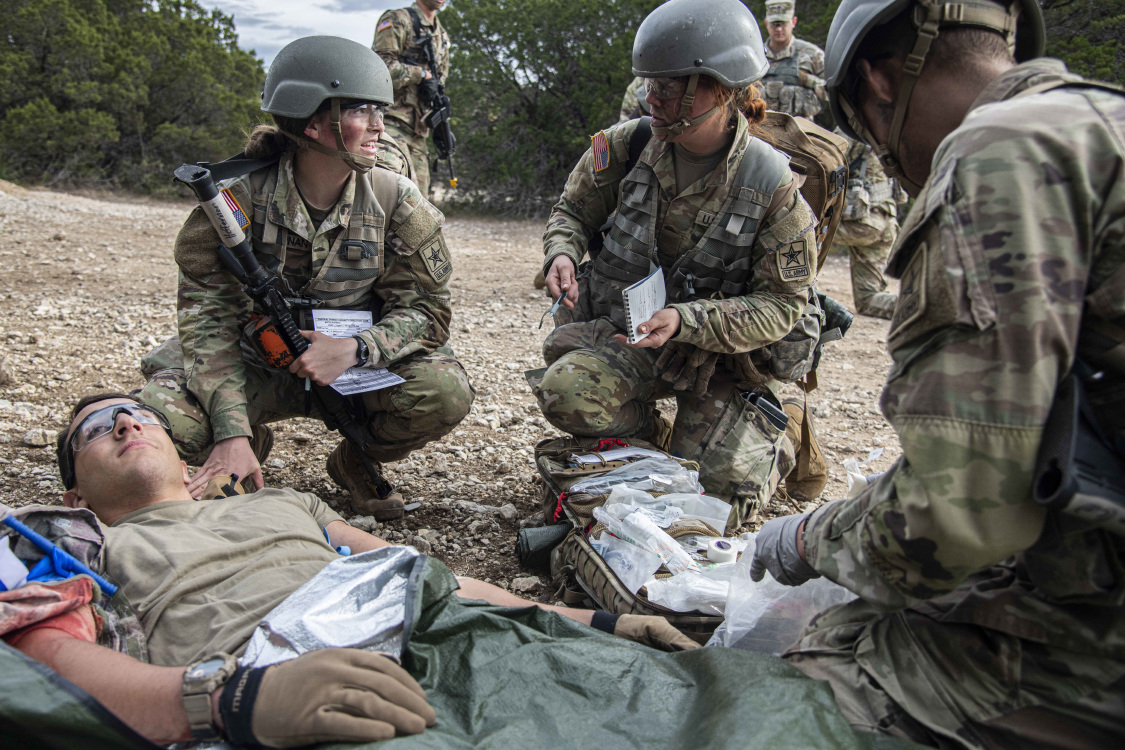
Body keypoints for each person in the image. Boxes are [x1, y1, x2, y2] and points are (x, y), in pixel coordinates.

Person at [749, 0, 1125, 746]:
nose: (890, 162)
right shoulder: (1100, 123)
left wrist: (805, 540)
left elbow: (957, 518)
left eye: (871, 138)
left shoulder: (1002, 152)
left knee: (810, 681)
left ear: (880, 84)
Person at [5, 392, 697, 747]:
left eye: (137, 416)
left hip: (437, 641)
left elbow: (426, 578)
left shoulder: (284, 503)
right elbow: (48, 664)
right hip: (281, 687)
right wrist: (230, 701)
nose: (125, 426)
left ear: (188, 465)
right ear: (74, 493)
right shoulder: (72, 544)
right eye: (98, 430)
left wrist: (599, 622)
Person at [136, 36, 473, 521]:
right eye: (361, 110)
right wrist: (231, 428)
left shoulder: (394, 199)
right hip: (261, 358)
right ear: (313, 123)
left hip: (353, 365)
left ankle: (357, 458)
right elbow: (208, 322)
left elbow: (428, 313)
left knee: (443, 393)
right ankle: (246, 444)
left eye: (380, 110)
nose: (380, 125)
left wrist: (356, 348)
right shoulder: (237, 201)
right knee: (163, 419)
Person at [536, 0, 828, 525]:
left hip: (718, 359)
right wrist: (561, 251)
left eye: (668, 87)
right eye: (651, 84)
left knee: (715, 505)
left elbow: (783, 307)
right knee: (568, 395)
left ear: (719, 88)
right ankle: (647, 437)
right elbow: (572, 212)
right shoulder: (628, 147)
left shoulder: (771, 185)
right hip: (633, 338)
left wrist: (687, 319)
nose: (652, 97)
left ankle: (778, 424)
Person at [373, 0, 451, 197]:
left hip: (419, 130)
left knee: (421, 204)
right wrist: (421, 74)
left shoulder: (441, 35)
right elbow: (380, 69)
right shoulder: (398, 19)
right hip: (390, 122)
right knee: (401, 194)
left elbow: (440, 79)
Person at [831, 130, 906, 319]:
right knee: (869, 298)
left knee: (803, 231)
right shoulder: (897, 135)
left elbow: (826, 160)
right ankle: (916, 308)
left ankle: (793, 296)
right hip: (887, 224)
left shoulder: (854, 129)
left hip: (859, 222)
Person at [760, 1, 829, 122]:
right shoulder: (756, 56)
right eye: (774, 24)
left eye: (783, 23)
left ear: (794, 21)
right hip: (760, 133)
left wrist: (808, 80)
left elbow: (834, 92)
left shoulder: (812, 54)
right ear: (766, 23)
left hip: (800, 134)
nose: (779, 29)